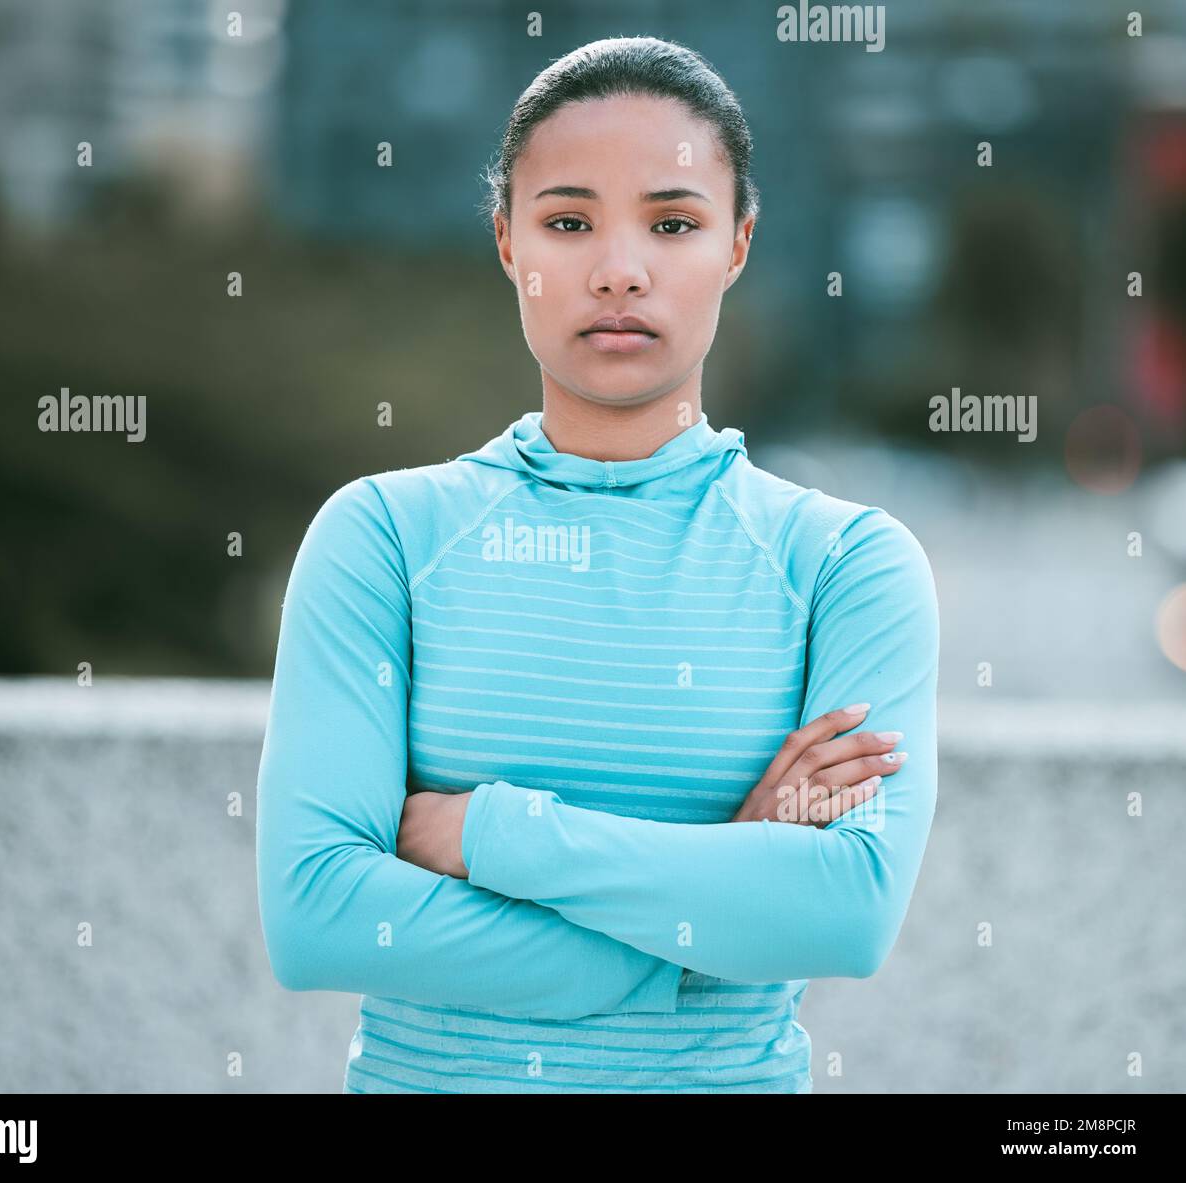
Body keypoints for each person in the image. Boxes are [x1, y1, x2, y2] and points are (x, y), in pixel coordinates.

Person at [255, 34, 939, 1094]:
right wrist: (709, 902)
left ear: (738, 245)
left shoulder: (844, 565)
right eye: (568, 222)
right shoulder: (384, 537)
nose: (619, 268)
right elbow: (319, 916)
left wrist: (487, 831)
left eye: (672, 223)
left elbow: (843, 911)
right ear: (506, 241)